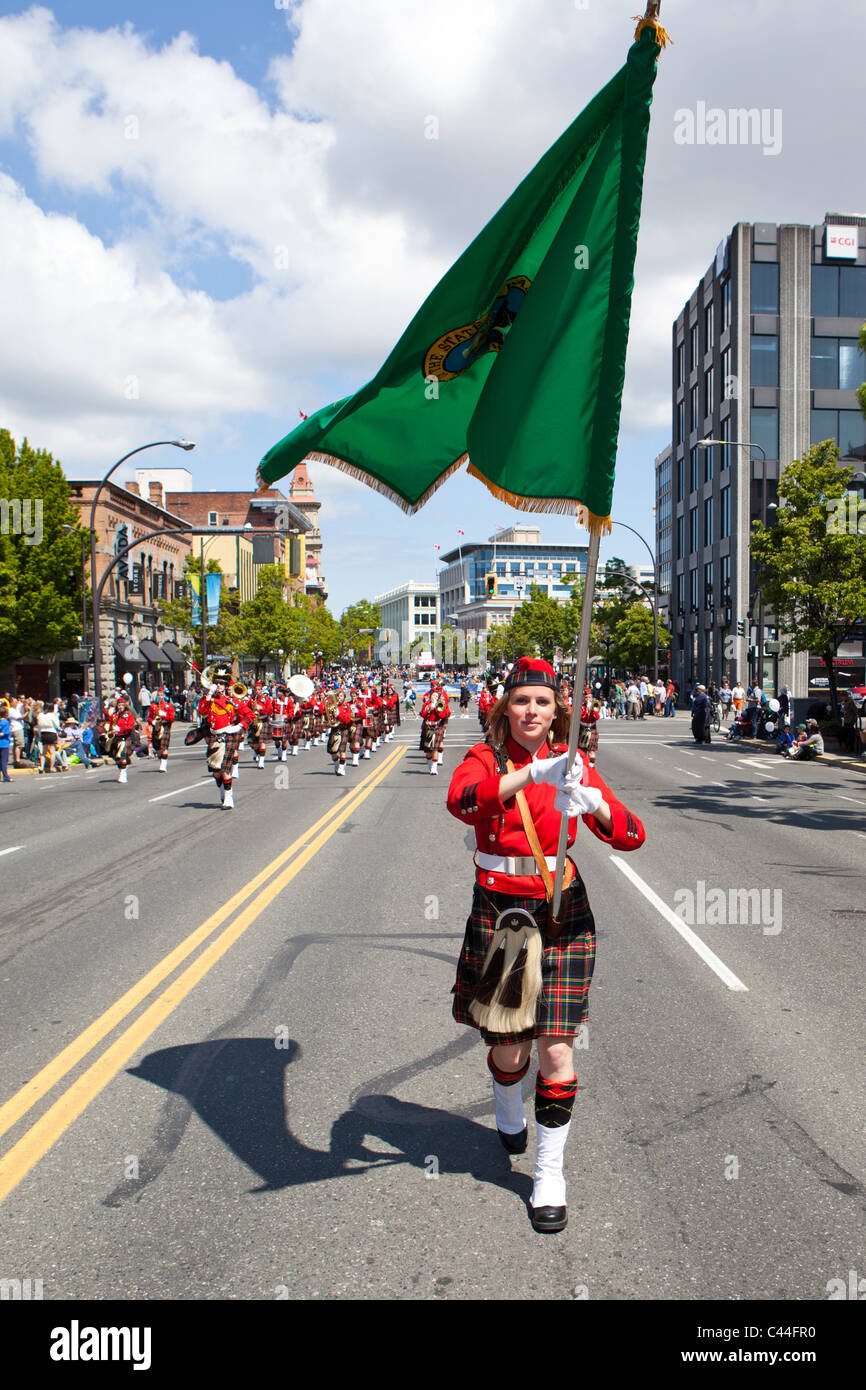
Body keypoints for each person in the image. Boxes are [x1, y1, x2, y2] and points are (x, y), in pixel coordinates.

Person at [447, 658, 646, 1234]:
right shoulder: (487, 759)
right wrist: (532, 777)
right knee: (511, 1051)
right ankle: (507, 1105)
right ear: (504, 708)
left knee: (557, 1047)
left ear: (559, 708)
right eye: (521, 701)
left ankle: (549, 1173)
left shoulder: (575, 762)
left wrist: (595, 804)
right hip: (503, 911)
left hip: (560, 910)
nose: (531, 711)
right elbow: (463, 801)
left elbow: (631, 836)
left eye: (542, 702)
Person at [198, 665, 251, 808]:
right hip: (214, 737)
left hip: (228, 736)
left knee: (225, 771)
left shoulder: (232, 700)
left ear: (226, 685)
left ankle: (229, 798)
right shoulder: (208, 699)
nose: (219, 686)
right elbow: (202, 711)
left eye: (222, 683)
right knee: (216, 772)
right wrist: (209, 695)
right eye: (217, 683)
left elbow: (249, 715)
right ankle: (222, 791)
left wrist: (240, 726)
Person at [420, 680, 451, 774]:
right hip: (428, 727)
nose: (435, 697)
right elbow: (423, 714)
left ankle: (434, 768)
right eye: (433, 695)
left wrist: (436, 708)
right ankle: (430, 766)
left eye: (436, 696)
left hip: (436, 726)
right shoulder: (427, 704)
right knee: (428, 752)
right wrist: (429, 707)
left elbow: (442, 715)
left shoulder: (440, 704)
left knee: (434, 749)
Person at [105, 694, 136, 783]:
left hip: (125, 737)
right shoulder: (114, 715)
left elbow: (130, 727)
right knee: (116, 757)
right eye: (119, 705)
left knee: (122, 755)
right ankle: (122, 769)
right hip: (116, 738)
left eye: (122, 705)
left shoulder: (129, 714)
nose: (120, 707)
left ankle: (123, 773)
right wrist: (110, 732)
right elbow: (111, 727)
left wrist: (121, 729)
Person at [148, 687, 176, 772]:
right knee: (157, 748)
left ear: (164, 695)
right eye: (158, 695)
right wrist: (151, 721)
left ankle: (163, 764)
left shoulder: (168, 706)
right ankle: (162, 761)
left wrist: (164, 715)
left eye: (161, 695)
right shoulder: (153, 706)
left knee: (163, 746)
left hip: (165, 726)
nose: (160, 697)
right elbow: (149, 717)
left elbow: (172, 719)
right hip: (156, 727)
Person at [0, 702, 11, 782]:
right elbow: (5, 732)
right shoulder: (6, 722)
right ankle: (6, 776)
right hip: (4, 744)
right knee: (4, 761)